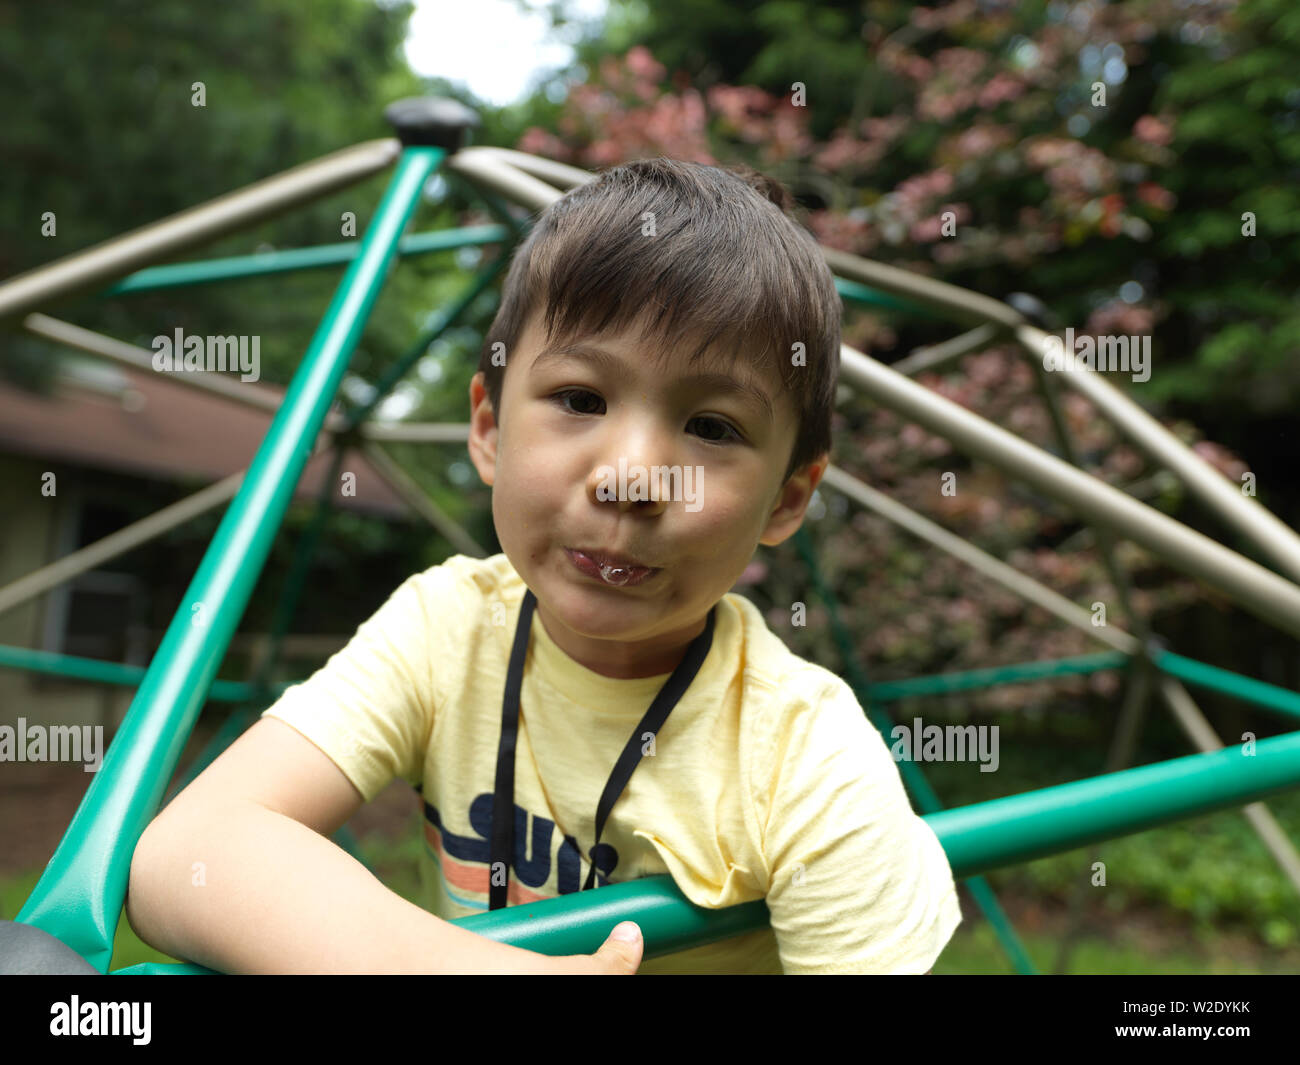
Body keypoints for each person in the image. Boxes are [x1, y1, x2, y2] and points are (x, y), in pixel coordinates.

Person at [127, 158, 962, 974]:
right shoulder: (448, 628)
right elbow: (184, 854)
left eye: (711, 428)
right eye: (580, 399)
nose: (631, 477)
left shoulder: (805, 754)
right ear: (489, 428)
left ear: (786, 498)